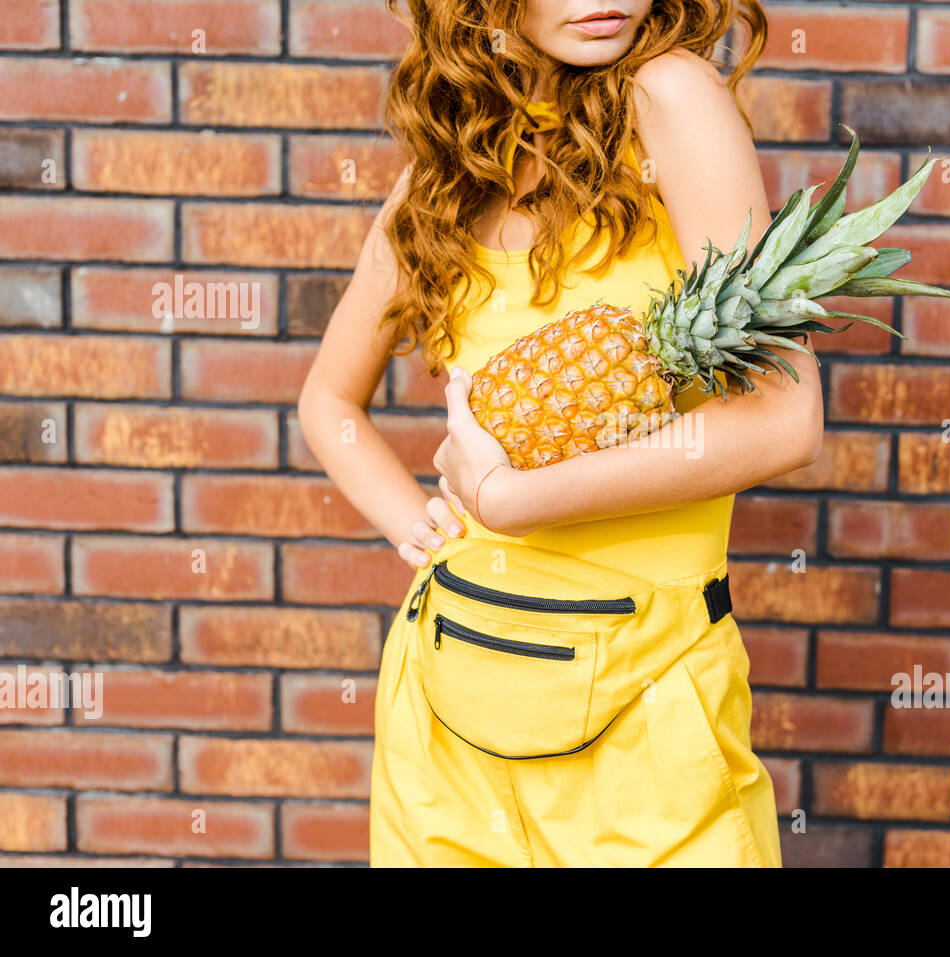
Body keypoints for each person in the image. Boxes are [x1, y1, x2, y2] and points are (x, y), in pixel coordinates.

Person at [298, 0, 822, 867]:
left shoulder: (671, 98)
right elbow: (329, 399)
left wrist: (513, 498)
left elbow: (785, 418)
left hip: (645, 716)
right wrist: (419, 528)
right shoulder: (452, 165)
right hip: (447, 709)